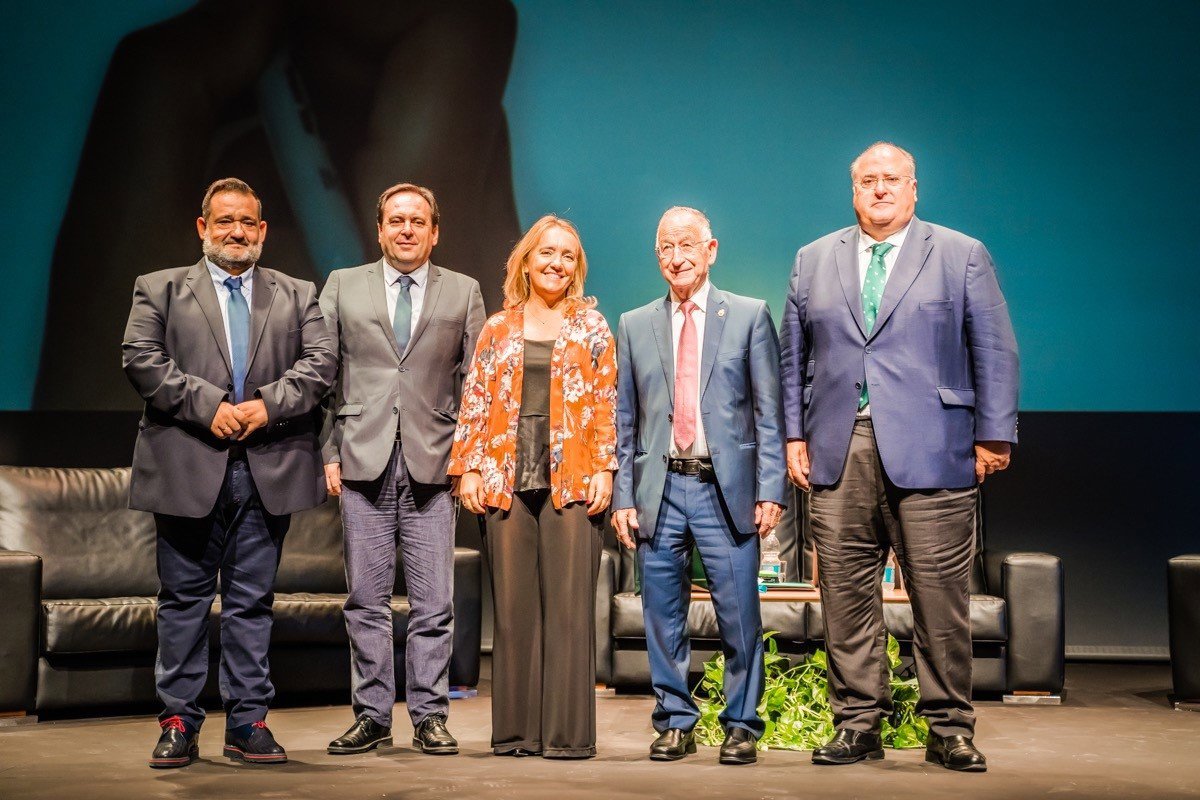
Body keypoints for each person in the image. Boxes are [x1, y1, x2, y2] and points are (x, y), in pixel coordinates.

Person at [780, 142, 1019, 772]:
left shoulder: (961, 254)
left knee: (940, 596)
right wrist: (791, 436)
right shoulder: (812, 260)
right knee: (847, 594)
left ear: (914, 189)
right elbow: (792, 358)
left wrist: (994, 435)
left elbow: (994, 349)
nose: (880, 189)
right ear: (852, 190)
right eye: (868, 181)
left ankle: (950, 728)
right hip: (839, 443)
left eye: (892, 180)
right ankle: (858, 722)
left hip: (934, 444)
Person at [123, 177, 336, 768]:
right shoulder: (160, 289)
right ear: (203, 228)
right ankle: (177, 723)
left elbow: (321, 365)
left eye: (247, 223)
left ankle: (248, 722)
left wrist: (268, 404)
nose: (237, 232)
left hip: (267, 467)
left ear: (263, 231)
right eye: (225, 222)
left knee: (252, 601)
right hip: (187, 463)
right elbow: (141, 358)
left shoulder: (296, 292)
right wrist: (206, 406)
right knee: (183, 600)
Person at [612, 206, 787, 765]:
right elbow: (626, 421)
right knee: (662, 617)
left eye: (688, 244)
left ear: (711, 250)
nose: (677, 256)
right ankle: (674, 721)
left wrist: (771, 489)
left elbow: (770, 415)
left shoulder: (750, 315)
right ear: (656, 255)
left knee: (740, 616)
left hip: (724, 490)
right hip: (659, 490)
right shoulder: (635, 324)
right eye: (666, 246)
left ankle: (741, 724)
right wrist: (622, 495)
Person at [321, 182, 485, 756]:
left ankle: (430, 715)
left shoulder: (463, 292)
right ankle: (370, 715)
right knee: (364, 600)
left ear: (434, 231)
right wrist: (329, 450)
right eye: (396, 220)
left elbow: (476, 385)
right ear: (380, 227)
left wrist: (468, 460)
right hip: (362, 458)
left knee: (433, 602)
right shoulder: (343, 285)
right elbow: (323, 373)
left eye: (417, 221)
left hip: (435, 465)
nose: (406, 229)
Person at [449, 215, 617, 759]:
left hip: (573, 477)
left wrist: (605, 468)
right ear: (526, 260)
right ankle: (517, 733)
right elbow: (474, 401)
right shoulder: (498, 327)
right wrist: (468, 467)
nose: (557, 264)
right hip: (505, 476)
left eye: (568, 256)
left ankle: (568, 737)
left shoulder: (593, 328)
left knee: (569, 610)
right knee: (516, 611)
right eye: (547, 253)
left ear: (578, 267)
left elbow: (607, 403)